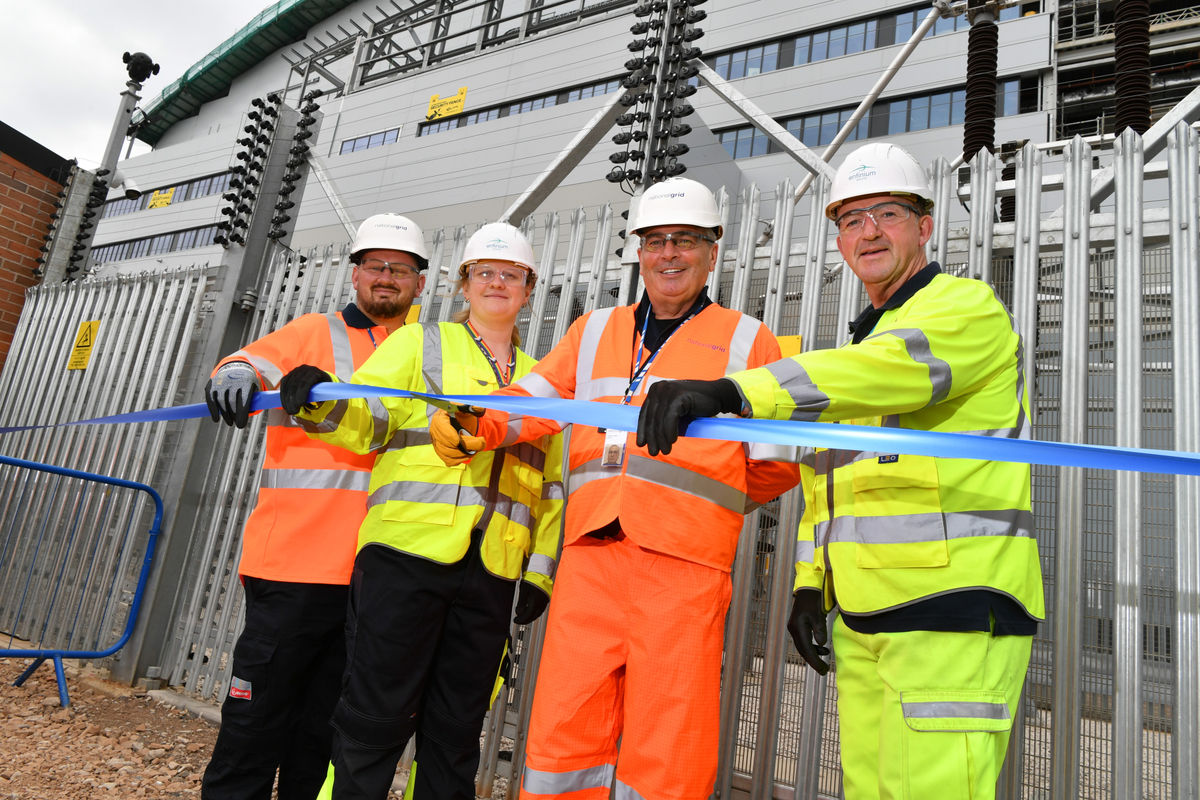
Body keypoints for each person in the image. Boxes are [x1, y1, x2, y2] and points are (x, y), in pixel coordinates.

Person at [636, 142, 1045, 800]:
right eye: (851, 220)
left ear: (925, 227)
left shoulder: (964, 310)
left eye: (887, 212)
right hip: (868, 615)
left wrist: (736, 390)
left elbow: (886, 370)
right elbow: (830, 480)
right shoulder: (862, 345)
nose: (869, 231)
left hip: (951, 614)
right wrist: (808, 585)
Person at [430, 178, 799, 800]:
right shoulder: (594, 329)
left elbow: (775, 463)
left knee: (669, 736)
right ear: (639, 251)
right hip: (592, 552)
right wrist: (476, 420)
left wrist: (699, 509)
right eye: (656, 241)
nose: (670, 253)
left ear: (713, 251)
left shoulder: (750, 340)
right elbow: (533, 403)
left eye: (686, 240)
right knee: (563, 726)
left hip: (686, 564)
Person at [277, 222, 564, 800]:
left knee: (456, 732)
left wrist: (538, 573)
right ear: (463, 284)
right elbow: (368, 419)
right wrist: (318, 399)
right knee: (372, 722)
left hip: (492, 571)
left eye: (511, 275)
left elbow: (551, 485)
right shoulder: (419, 343)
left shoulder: (545, 381)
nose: (497, 283)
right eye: (485, 272)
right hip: (405, 555)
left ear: (528, 289)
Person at [200, 213, 429, 800]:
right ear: (354, 275)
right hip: (291, 568)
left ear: (420, 282)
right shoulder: (313, 332)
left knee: (324, 738)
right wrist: (237, 371)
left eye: (400, 268)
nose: (386, 277)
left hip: (375, 575)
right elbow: (245, 362)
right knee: (256, 723)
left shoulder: (429, 350)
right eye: (375, 265)